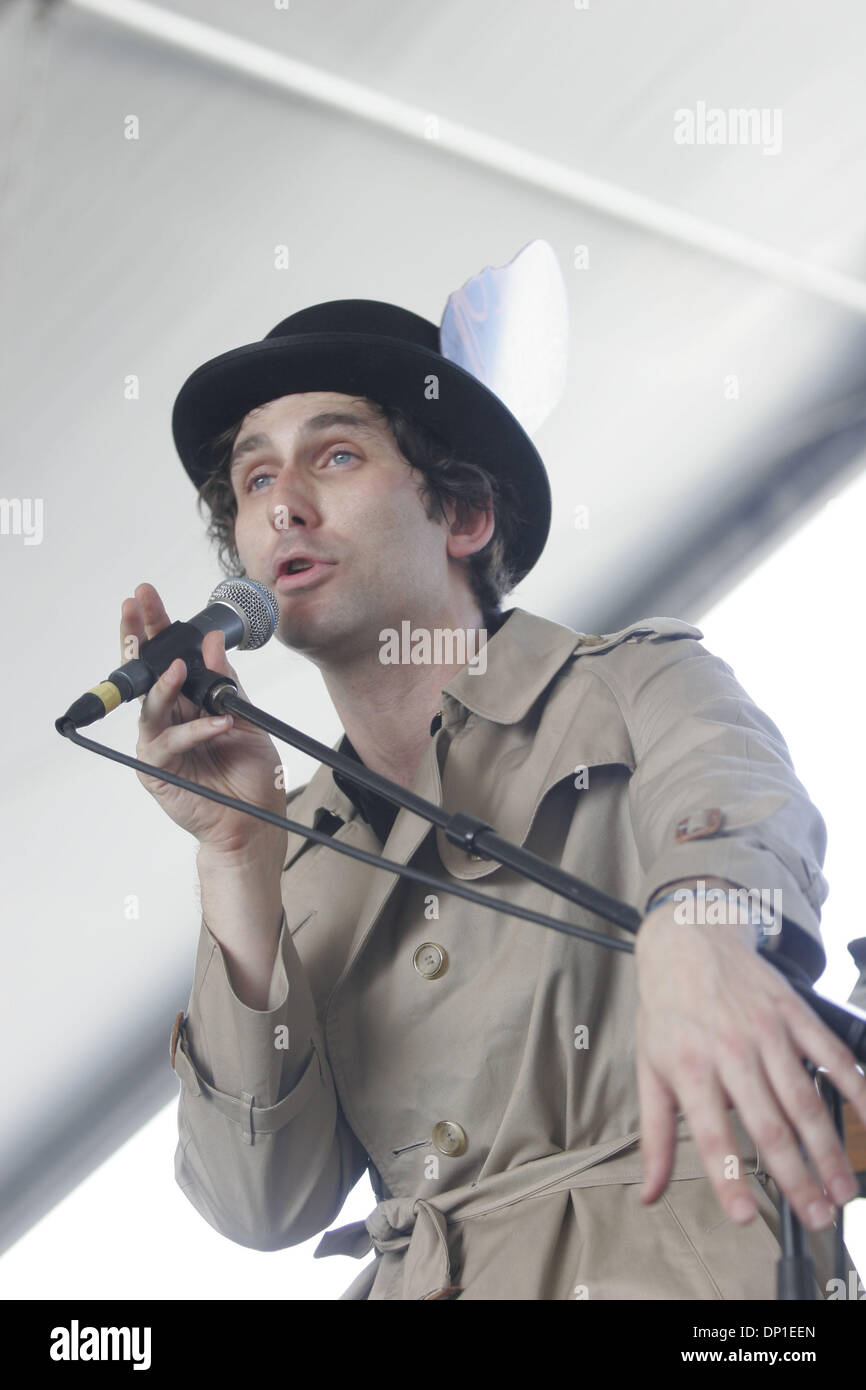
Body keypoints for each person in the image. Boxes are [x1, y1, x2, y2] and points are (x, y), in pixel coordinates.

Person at [122, 298, 865, 1300]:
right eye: (256, 479)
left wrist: (700, 924)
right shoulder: (285, 848)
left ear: (465, 516)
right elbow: (259, 1204)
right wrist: (233, 856)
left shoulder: (634, 683)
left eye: (334, 456)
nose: (283, 506)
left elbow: (735, 813)